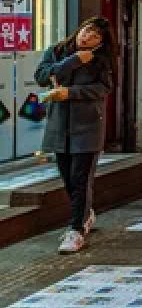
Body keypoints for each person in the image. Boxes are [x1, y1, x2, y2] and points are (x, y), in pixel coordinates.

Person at [35, 17, 114, 254]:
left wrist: (71, 93)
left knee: (80, 179)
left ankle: (76, 230)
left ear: (101, 42)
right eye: (87, 31)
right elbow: (42, 76)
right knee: (68, 177)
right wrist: (74, 60)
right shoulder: (57, 51)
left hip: (88, 126)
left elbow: (104, 88)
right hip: (59, 125)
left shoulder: (101, 60)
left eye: (95, 36)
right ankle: (85, 213)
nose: (87, 37)